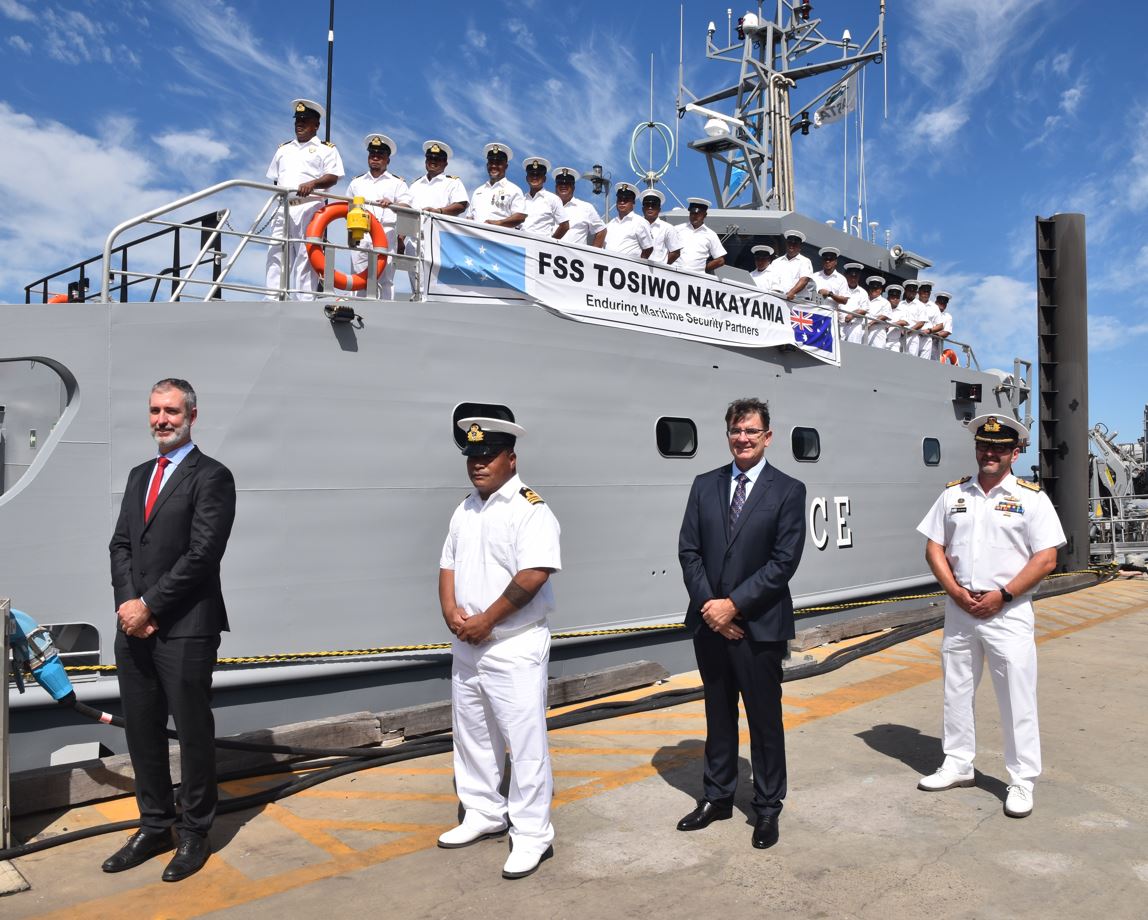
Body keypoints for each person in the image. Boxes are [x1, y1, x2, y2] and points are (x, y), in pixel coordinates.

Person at [104, 378, 237, 882]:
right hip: (134, 626)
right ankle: (155, 824)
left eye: (172, 412)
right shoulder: (141, 475)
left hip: (186, 627)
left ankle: (195, 832)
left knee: (193, 732)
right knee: (141, 731)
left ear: (192, 416)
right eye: (155, 411)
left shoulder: (212, 477)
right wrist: (127, 604)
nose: (161, 420)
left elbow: (203, 554)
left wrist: (150, 604)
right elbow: (120, 545)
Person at [916, 414, 1065, 818]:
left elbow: (1047, 557)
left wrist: (1004, 595)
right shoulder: (953, 495)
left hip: (1009, 612)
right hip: (961, 608)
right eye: (985, 446)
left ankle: (1021, 780)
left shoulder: (1032, 499)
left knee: (1016, 696)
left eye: (1000, 448)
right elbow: (934, 547)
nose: (990, 453)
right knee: (957, 690)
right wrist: (957, 593)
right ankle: (958, 763)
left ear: (1015, 453)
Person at [677, 397, 806, 850]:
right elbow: (689, 551)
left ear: (767, 437)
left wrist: (734, 606)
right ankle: (717, 797)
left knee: (764, 720)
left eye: (752, 431)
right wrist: (712, 608)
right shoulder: (704, 485)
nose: (743, 438)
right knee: (718, 715)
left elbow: (783, 562)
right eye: (736, 430)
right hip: (710, 623)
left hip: (760, 626)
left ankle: (767, 808)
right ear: (727, 434)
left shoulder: (788, 490)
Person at [437, 417, 561, 880]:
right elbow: (448, 564)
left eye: (488, 456)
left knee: (524, 743)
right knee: (472, 734)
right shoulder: (465, 508)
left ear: (511, 458)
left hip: (512, 644)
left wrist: (486, 620)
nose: (479, 464)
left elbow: (534, 574)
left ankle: (532, 835)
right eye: (473, 457)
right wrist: (452, 612)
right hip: (467, 643)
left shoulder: (531, 509)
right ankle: (483, 813)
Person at [264, 99, 345, 300]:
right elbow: (275, 178)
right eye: (297, 120)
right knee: (276, 251)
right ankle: (273, 297)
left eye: (305, 120)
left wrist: (313, 184)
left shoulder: (326, 149)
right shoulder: (283, 149)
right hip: (283, 208)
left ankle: (304, 299)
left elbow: (332, 177)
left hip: (309, 207)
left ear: (316, 125)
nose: (299, 124)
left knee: (305, 255)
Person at [346, 133, 411, 300]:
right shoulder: (356, 182)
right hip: (361, 232)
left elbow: (407, 207)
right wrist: (350, 237)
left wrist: (392, 204)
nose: (375, 158)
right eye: (372, 154)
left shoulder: (398, 183)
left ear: (387, 160)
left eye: (380, 155)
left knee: (385, 278)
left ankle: (386, 312)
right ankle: (357, 307)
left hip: (386, 232)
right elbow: (348, 209)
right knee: (359, 275)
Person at [406, 140, 469, 294]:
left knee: (435, 286)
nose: (433, 162)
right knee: (416, 283)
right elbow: (407, 211)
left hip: (437, 240)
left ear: (445, 163)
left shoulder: (452, 182)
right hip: (413, 239)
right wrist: (400, 238)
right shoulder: (415, 184)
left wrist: (438, 211)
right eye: (430, 158)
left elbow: (461, 205)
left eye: (437, 159)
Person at [468, 143, 526, 228]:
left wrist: (499, 223)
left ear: (506, 166)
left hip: (500, 239)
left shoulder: (514, 190)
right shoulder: (478, 191)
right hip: (476, 239)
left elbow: (520, 217)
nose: (494, 166)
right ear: (487, 165)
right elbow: (469, 217)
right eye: (491, 162)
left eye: (498, 163)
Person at [553, 167, 606, 247]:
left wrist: (593, 256)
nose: (563, 186)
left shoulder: (586, 208)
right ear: (556, 187)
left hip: (573, 258)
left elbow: (601, 231)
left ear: (573, 187)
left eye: (567, 183)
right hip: (547, 257)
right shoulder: (546, 205)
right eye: (560, 183)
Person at [520, 157, 569, 239]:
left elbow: (565, 226)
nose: (534, 177)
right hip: (520, 246)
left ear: (544, 179)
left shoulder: (553, 199)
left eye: (538, 175)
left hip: (540, 247)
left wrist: (550, 243)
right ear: (527, 178)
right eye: (532, 174)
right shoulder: (521, 200)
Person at [675, 198, 727, 274]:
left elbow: (720, 260)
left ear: (705, 215)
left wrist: (702, 270)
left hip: (697, 279)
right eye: (692, 213)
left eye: (697, 213)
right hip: (674, 274)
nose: (694, 216)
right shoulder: (677, 229)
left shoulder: (711, 235)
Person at [603, 183, 653, 258]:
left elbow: (648, 248)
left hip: (629, 268)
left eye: (626, 200)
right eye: (619, 199)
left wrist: (638, 265)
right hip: (609, 266)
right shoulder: (609, 225)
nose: (622, 202)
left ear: (633, 203)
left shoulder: (640, 222)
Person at [770, 229, 814, 301]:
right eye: (789, 243)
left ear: (800, 247)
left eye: (795, 244)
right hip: (778, 299)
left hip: (797, 301)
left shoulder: (805, 261)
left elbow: (804, 280)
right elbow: (772, 281)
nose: (791, 245)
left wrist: (792, 292)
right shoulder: (776, 262)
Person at [640, 188, 681, 263]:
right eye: (647, 204)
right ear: (643, 208)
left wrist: (662, 266)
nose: (650, 207)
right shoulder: (636, 225)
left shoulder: (667, 228)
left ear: (659, 209)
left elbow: (675, 252)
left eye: (654, 205)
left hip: (657, 272)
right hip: (635, 269)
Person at [840, 262, 869, 345]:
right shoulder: (840, 289)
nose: (853, 279)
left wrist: (852, 315)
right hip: (840, 324)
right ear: (846, 276)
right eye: (851, 276)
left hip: (854, 326)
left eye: (855, 276)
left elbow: (864, 310)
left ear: (858, 277)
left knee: (852, 350)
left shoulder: (863, 293)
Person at [863, 275, 891, 349]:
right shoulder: (864, 299)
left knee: (876, 355)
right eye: (872, 288)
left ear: (880, 290)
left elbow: (884, 316)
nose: (874, 290)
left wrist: (870, 323)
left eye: (876, 288)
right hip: (863, 330)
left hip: (877, 332)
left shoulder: (885, 302)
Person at [915, 281, 940, 359]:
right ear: (918, 291)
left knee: (924, 363)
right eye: (924, 291)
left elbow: (940, 325)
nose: (926, 293)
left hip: (927, 337)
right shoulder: (913, 303)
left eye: (928, 291)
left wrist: (929, 330)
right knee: (910, 359)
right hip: (912, 335)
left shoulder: (934, 307)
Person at [884, 284, 907, 352]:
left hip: (894, 343)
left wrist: (892, 324)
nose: (895, 299)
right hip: (881, 339)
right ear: (888, 297)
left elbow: (904, 322)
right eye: (893, 297)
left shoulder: (902, 311)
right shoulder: (883, 307)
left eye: (897, 297)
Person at [933, 291, 954, 359]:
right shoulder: (928, 310)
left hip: (936, 348)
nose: (942, 304)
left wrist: (934, 335)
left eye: (944, 303)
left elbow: (946, 332)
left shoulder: (948, 317)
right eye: (940, 302)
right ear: (936, 302)